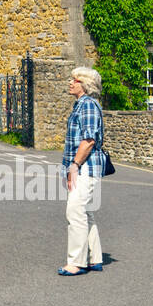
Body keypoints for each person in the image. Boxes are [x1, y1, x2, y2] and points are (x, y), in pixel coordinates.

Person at [59, 67, 107, 276]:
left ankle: (76, 263)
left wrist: (74, 166)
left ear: (85, 85)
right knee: (86, 212)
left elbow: (88, 141)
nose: (70, 82)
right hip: (85, 166)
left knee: (75, 211)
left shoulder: (87, 105)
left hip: (85, 167)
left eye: (75, 80)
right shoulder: (82, 105)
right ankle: (94, 258)